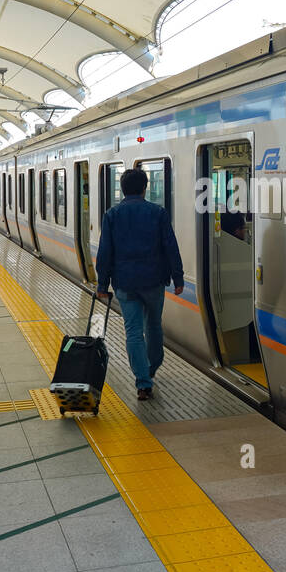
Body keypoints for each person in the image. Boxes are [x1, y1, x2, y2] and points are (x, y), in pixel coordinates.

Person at [94, 168, 184, 401]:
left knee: (133, 331)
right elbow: (170, 246)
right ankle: (151, 368)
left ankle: (143, 382)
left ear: (122, 189)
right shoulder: (158, 213)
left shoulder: (112, 215)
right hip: (153, 281)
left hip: (125, 283)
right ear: (145, 188)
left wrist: (102, 284)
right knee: (153, 326)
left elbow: (105, 253)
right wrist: (178, 277)